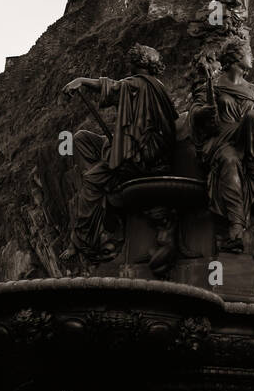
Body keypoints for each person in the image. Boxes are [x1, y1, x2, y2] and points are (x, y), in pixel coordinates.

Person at [60, 45, 177, 262]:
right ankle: (107, 183)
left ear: (139, 63)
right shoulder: (154, 86)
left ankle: (83, 241)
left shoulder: (139, 84)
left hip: (138, 155)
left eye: (133, 61)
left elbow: (112, 87)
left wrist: (82, 81)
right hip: (133, 146)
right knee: (82, 138)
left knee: (92, 181)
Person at [191, 35, 254, 253]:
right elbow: (195, 112)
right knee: (230, 159)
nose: (252, 57)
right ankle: (235, 228)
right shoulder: (214, 84)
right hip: (222, 140)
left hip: (247, 139)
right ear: (236, 57)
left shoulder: (253, 89)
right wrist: (203, 112)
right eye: (248, 53)